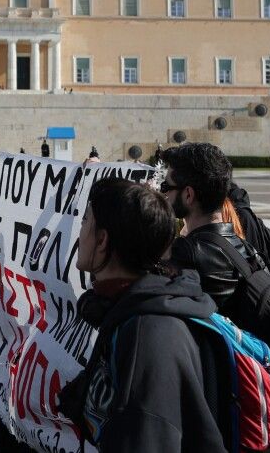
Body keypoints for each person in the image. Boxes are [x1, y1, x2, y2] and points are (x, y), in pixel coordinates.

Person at [59, 178, 228, 451]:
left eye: (85, 222)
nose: (79, 235)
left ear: (102, 240)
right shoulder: (130, 311)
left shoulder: (147, 335)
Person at [160, 143, 265, 310]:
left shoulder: (185, 253)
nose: (163, 193)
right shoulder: (245, 247)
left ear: (188, 194)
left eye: (166, 186)